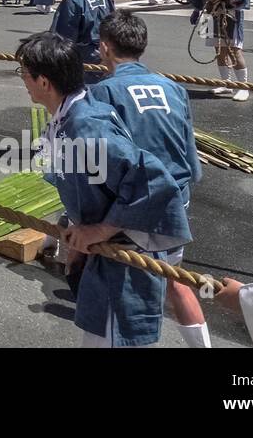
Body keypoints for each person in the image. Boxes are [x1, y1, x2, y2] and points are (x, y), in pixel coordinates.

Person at [16, 33, 191, 347]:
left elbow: (153, 180)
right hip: (104, 258)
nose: (23, 81)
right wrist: (75, 227)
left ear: (44, 82)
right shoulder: (70, 114)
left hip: (124, 260)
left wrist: (101, 229)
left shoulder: (87, 125)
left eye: (25, 74)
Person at [89, 11, 210, 347]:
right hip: (175, 201)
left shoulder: (104, 92)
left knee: (124, 296)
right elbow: (190, 156)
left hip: (135, 209)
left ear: (104, 47)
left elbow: (103, 164)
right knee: (175, 280)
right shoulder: (173, 88)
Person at [189, 0, 251, 102]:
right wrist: (196, 10)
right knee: (218, 50)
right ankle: (226, 84)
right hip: (210, 14)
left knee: (234, 50)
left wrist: (233, 0)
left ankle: (243, 87)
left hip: (229, 14)